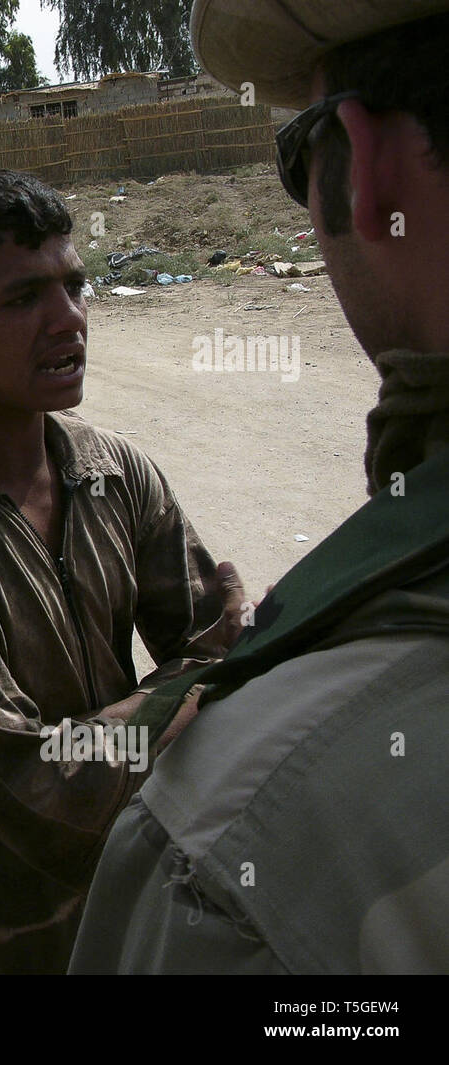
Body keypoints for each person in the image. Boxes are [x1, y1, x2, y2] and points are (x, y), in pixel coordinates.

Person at [70, 0, 449, 974]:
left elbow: (209, 635)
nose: (67, 324)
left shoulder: (235, 850)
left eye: (74, 290)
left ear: (361, 168)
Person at [0, 169, 246, 974]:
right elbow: (32, 792)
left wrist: (219, 668)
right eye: (24, 299)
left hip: (149, 908)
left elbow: (242, 667)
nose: (69, 320)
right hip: (13, 949)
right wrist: (192, 688)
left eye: (75, 285)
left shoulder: (114, 471)